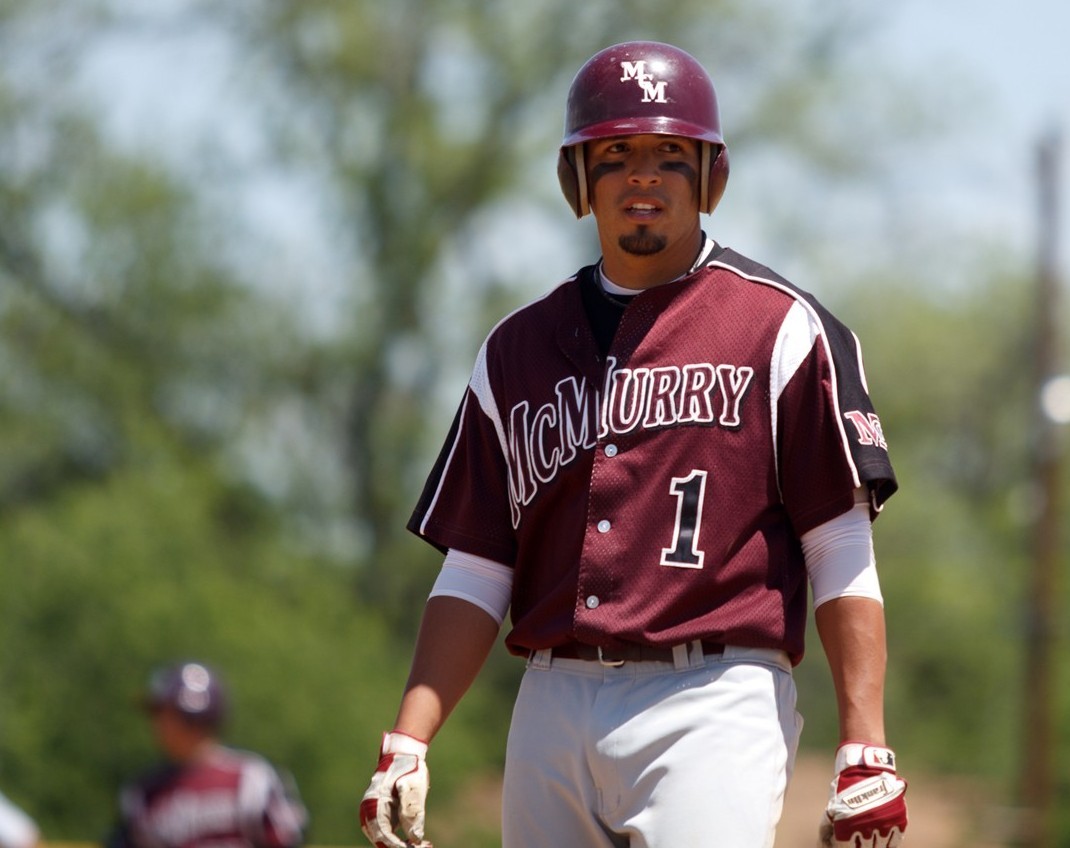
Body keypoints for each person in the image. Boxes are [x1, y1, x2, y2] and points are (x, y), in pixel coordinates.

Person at [359, 40, 908, 848]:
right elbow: (477, 565)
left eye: (669, 155)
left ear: (711, 177)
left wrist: (865, 741)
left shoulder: (782, 327)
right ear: (578, 181)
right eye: (616, 153)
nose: (643, 175)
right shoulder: (517, 348)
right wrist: (408, 740)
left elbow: (838, 540)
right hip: (550, 698)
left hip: (713, 696)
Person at [106, 661, 309, 848]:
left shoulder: (250, 779)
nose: (156, 724)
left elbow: (288, 838)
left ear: (190, 716)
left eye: (162, 713)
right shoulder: (144, 793)